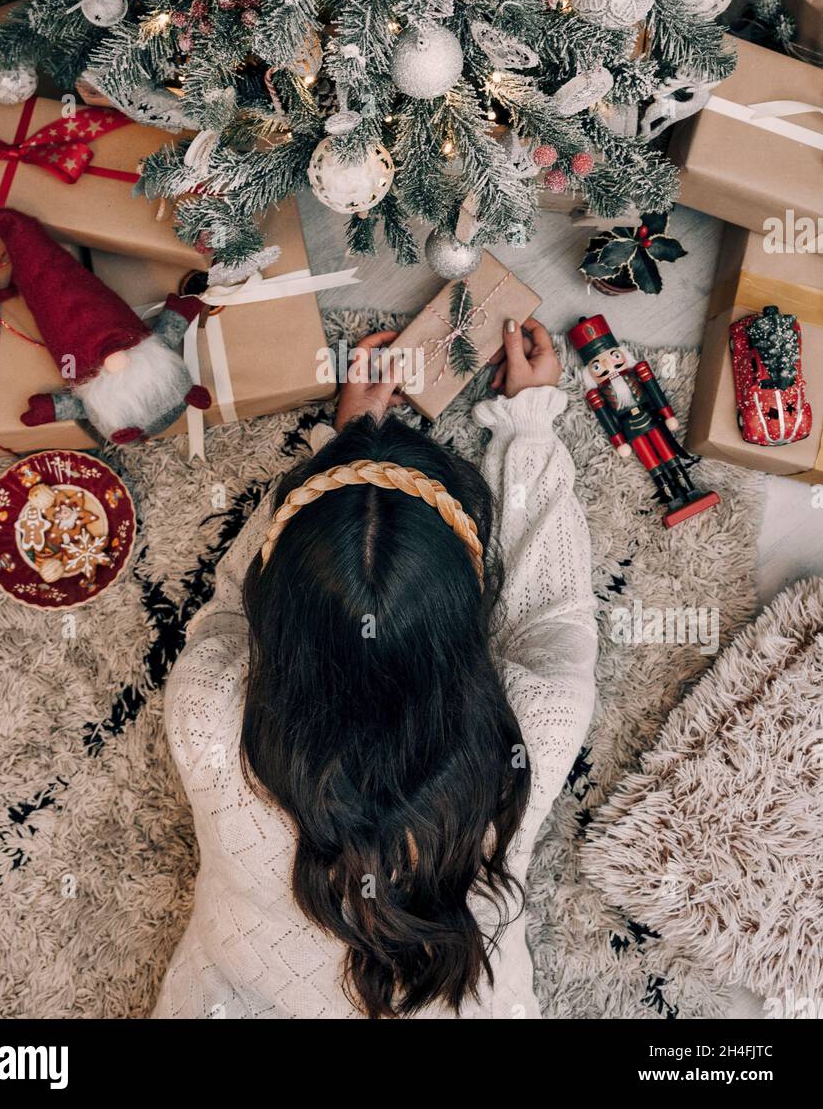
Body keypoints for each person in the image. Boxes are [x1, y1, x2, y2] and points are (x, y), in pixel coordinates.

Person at [152, 317, 597, 1020]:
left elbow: (235, 599)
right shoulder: (533, 728)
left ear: (281, 599)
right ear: (462, 606)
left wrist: (345, 446)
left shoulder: (208, 707)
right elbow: (552, 614)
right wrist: (528, 427)